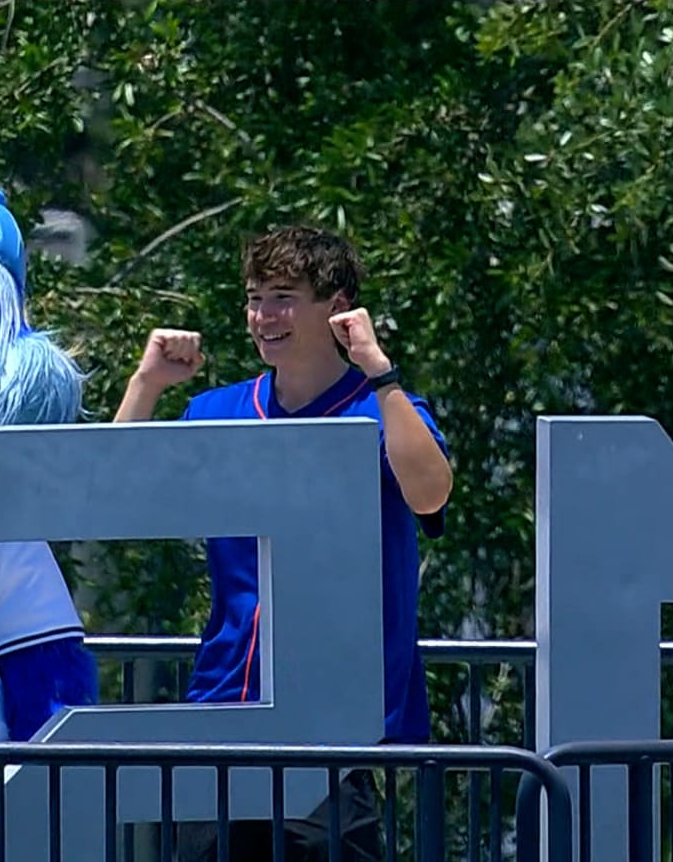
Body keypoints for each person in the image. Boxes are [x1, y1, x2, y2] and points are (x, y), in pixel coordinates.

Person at [114, 224, 453, 861]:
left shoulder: (381, 408)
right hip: (224, 713)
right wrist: (147, 383)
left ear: (338, 305)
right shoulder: (217, 412)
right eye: (254, 298)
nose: (263, 316)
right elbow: (111, 497)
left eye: (283, 297)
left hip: (331, 735)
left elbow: (430, 493)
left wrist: (380, 371)